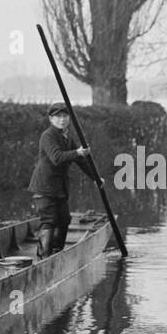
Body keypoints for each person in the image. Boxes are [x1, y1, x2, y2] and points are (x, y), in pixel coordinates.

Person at [28, 101, 99, 258]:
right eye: (58, 117)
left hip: (59, 188)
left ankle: (56, 253)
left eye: (65, 116)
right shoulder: (48, 136)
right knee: (49, 220)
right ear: (51, 119)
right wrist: (78, 152)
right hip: (44, 187)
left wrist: (95, 178)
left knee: (64, 219)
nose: (62, 120)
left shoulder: (67, 137)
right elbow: (57, 157)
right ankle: (43, 258)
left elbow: (80, 161)